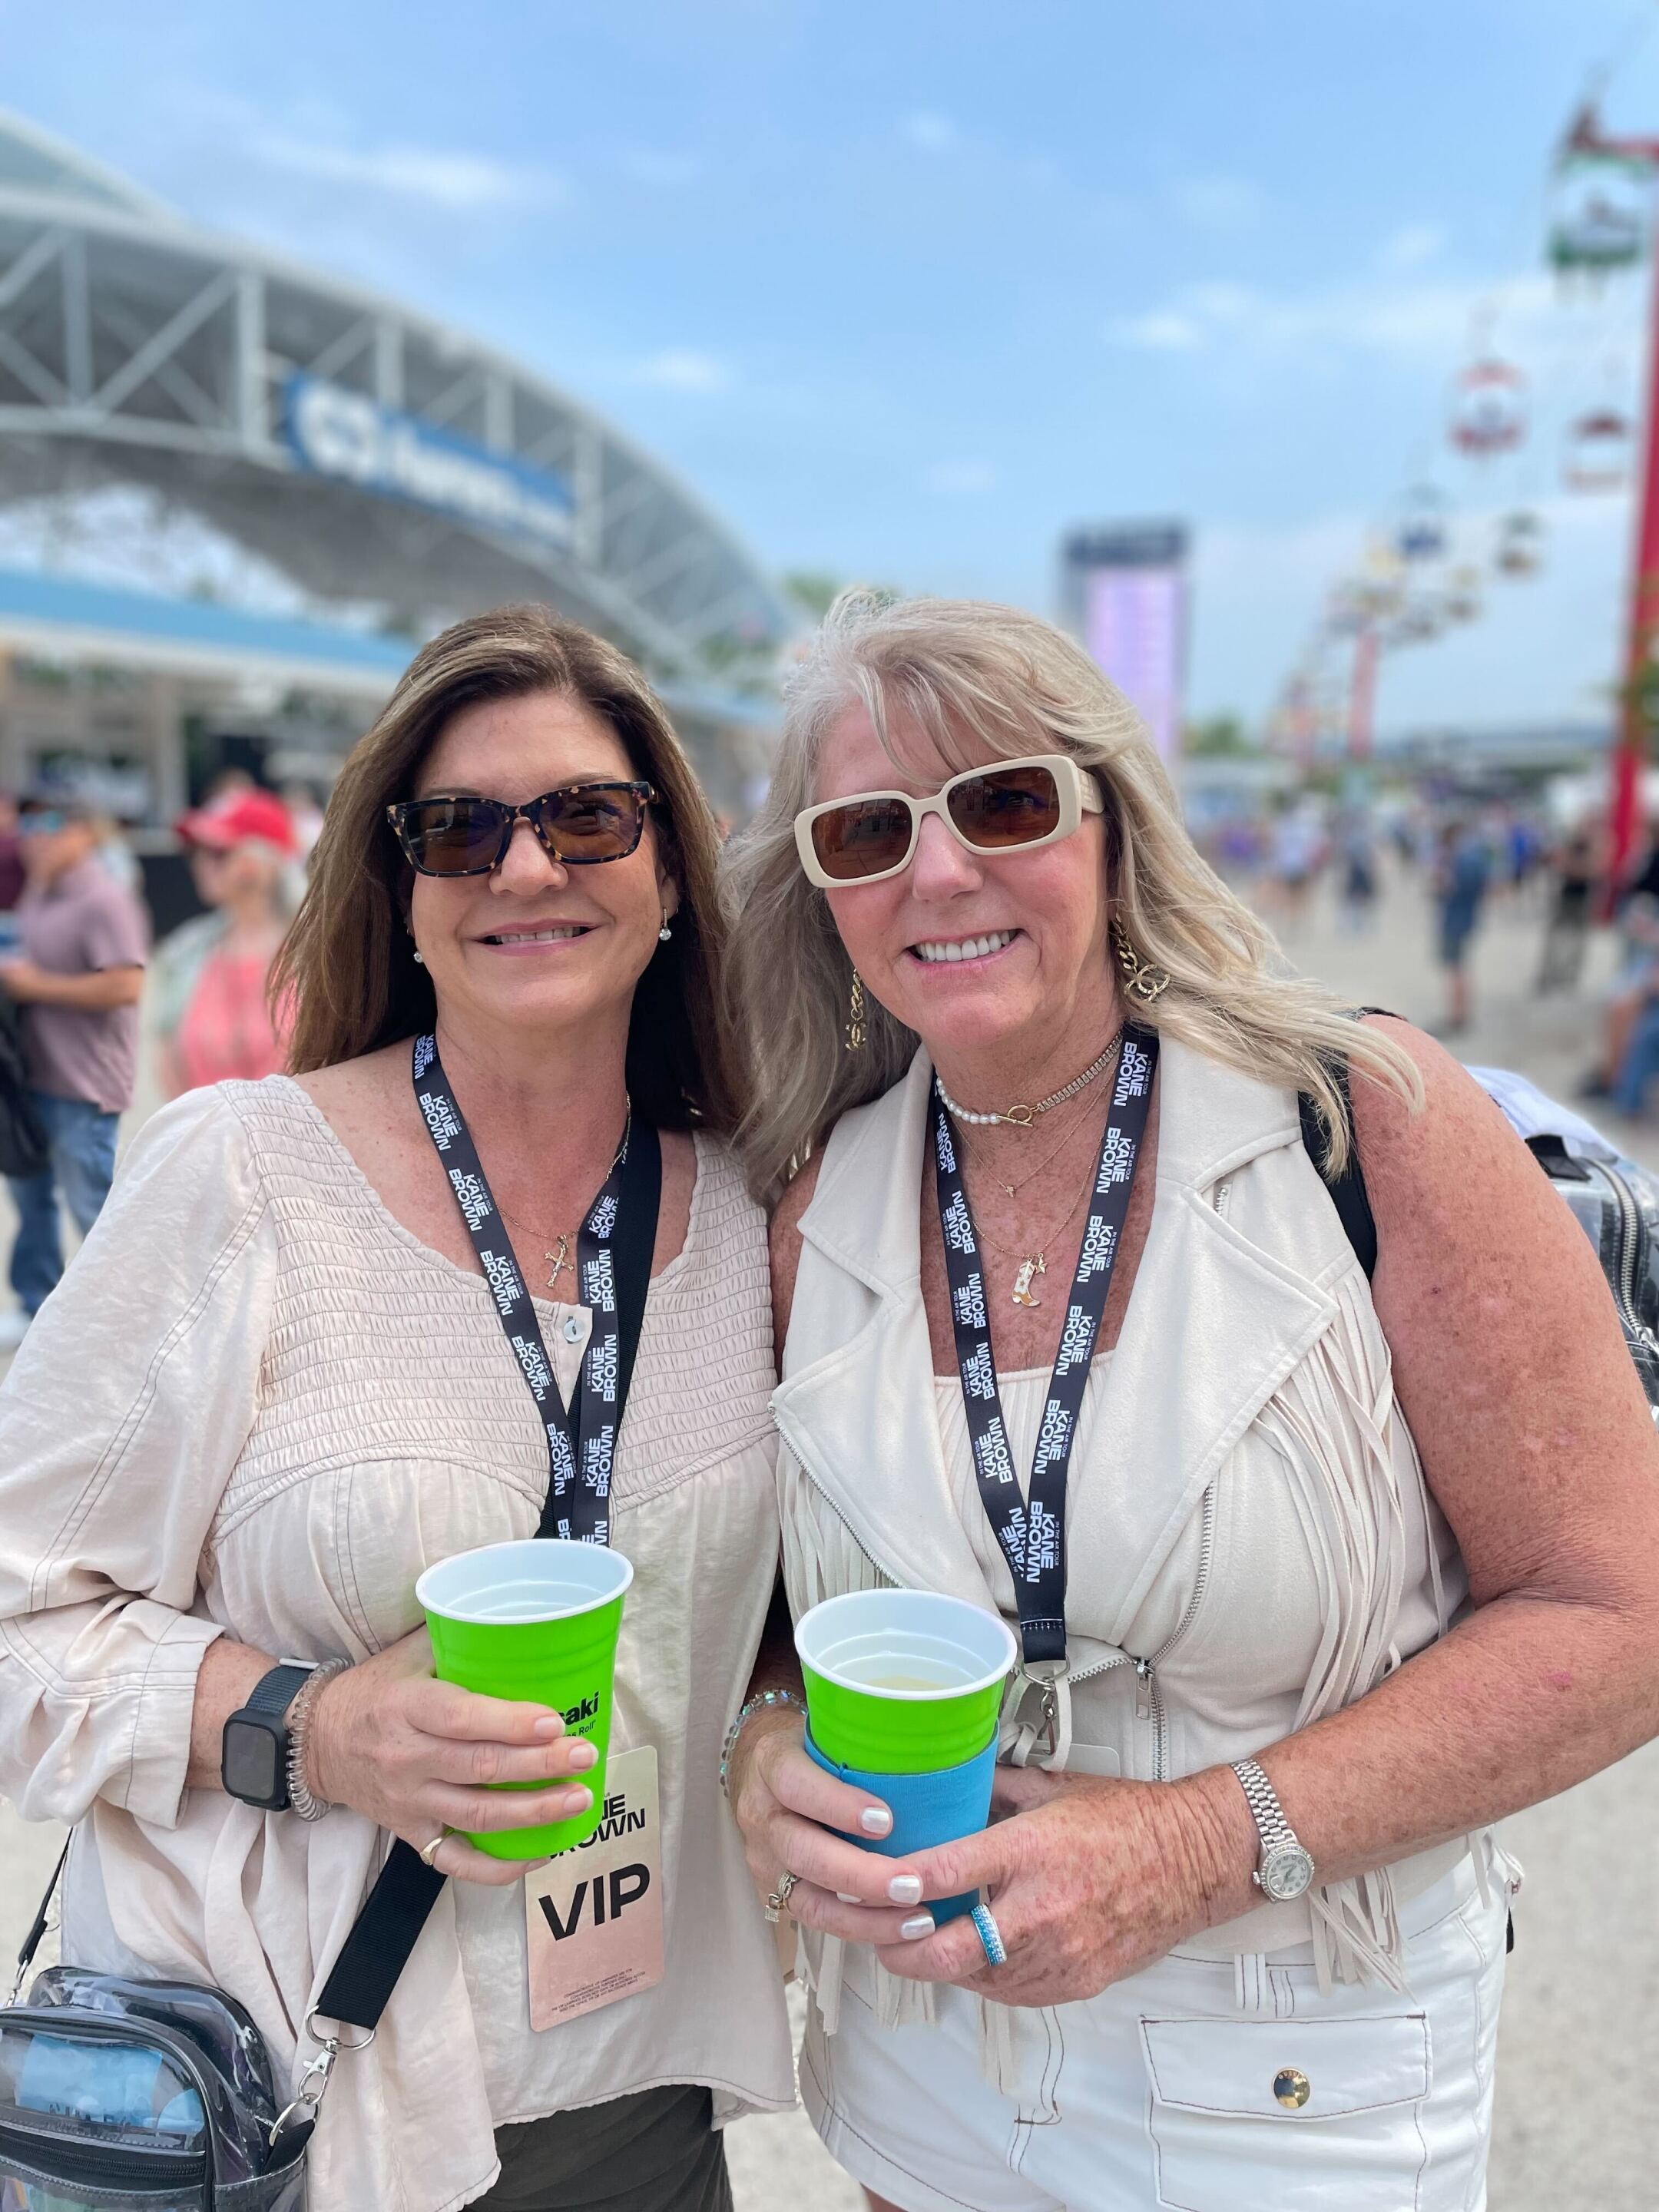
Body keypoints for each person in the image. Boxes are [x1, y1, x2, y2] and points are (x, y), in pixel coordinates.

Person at [719, 594, 1659, 2212]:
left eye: (1003, 802)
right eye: (871, 829)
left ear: (1111, 825)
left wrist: (1184, 1847)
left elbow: (1619, 1611)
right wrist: (757, 1748)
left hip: (1300, 2080)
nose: (937, 873)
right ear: (822, 886)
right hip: (927, 2074)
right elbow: (782, 1623)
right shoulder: (813, 1203)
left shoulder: (1361, 1124)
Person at [0, 607, 792, 2212]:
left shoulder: (757, 1213)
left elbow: (762, 1608)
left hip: (636, 2106)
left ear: (669, 876)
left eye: (586, 815)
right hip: (294, 2101)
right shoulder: (244, 1176)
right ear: (401, 889)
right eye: (459, 829)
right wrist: (315, 1730)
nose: (523, 868)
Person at [0, 794, 147, 1349]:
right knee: (30, 1200)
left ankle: (121, 1325)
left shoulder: (106, 901)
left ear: (87, 833)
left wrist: (35, 986)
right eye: (31, 825)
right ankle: (36, 1303)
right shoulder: (39, 892)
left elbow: (125, 986)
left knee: (94, 1207)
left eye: (53, 825)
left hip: (83, 1086)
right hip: (30, 1081)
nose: (37, 836)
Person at [152, 786, 298, 1094]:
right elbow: (167, 1057)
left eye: (220, 853)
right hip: (207, 1135)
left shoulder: (317, 956)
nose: (201, 864)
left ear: (265, 863)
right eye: (198, 852)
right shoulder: (186, 950)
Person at [1431, 813, 1489, 1036]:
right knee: (1462, 968)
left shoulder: (1461, 858)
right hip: (1468, 918)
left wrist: (1441, 879)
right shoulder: (1476, 856)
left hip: (1456, 919)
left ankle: (1457, 1015)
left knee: (1455, 969)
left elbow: (1450, 887)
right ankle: (1461, 1014)